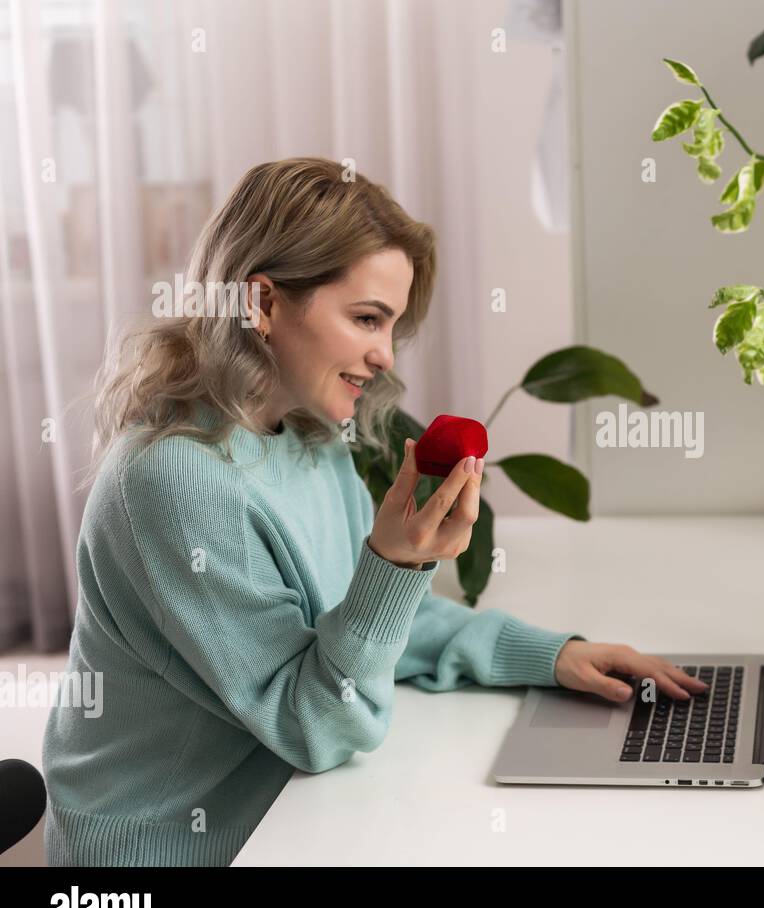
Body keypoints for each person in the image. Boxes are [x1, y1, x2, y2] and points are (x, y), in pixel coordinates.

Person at [42, 158, 706, 866]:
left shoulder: (306, 433)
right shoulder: (174, 481)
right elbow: (318, 725)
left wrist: (551, 656)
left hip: (282, 812)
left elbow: (372, 618)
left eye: (391, 327)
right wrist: (394, 562)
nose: (385, 357)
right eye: (366, 319)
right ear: (262, 305)